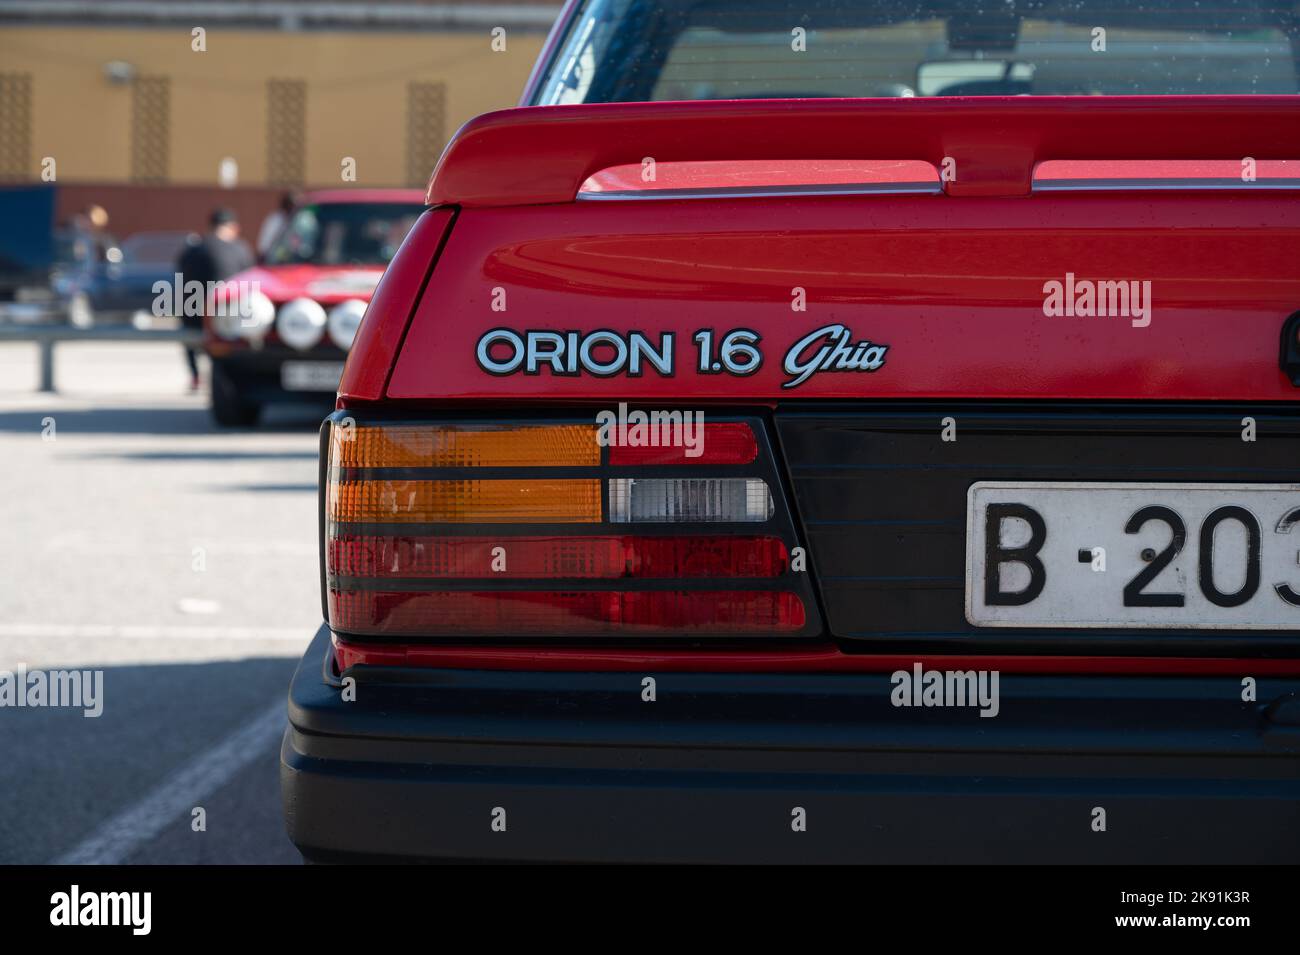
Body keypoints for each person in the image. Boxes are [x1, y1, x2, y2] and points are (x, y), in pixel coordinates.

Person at [175, 208, 254, 390]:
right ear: (234, 227)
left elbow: (181, 280)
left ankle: (195, 375)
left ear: (210, 226)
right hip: (232, 320)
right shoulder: (241, 250)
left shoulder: (193, 250)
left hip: (194, 318)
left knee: (189, 333)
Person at [257, 190, 298, 256]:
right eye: (290, 205)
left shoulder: (301, 220)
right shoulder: (275, 220)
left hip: (297, 259)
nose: (293, 209)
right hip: (276, 259)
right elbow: (264, 246)